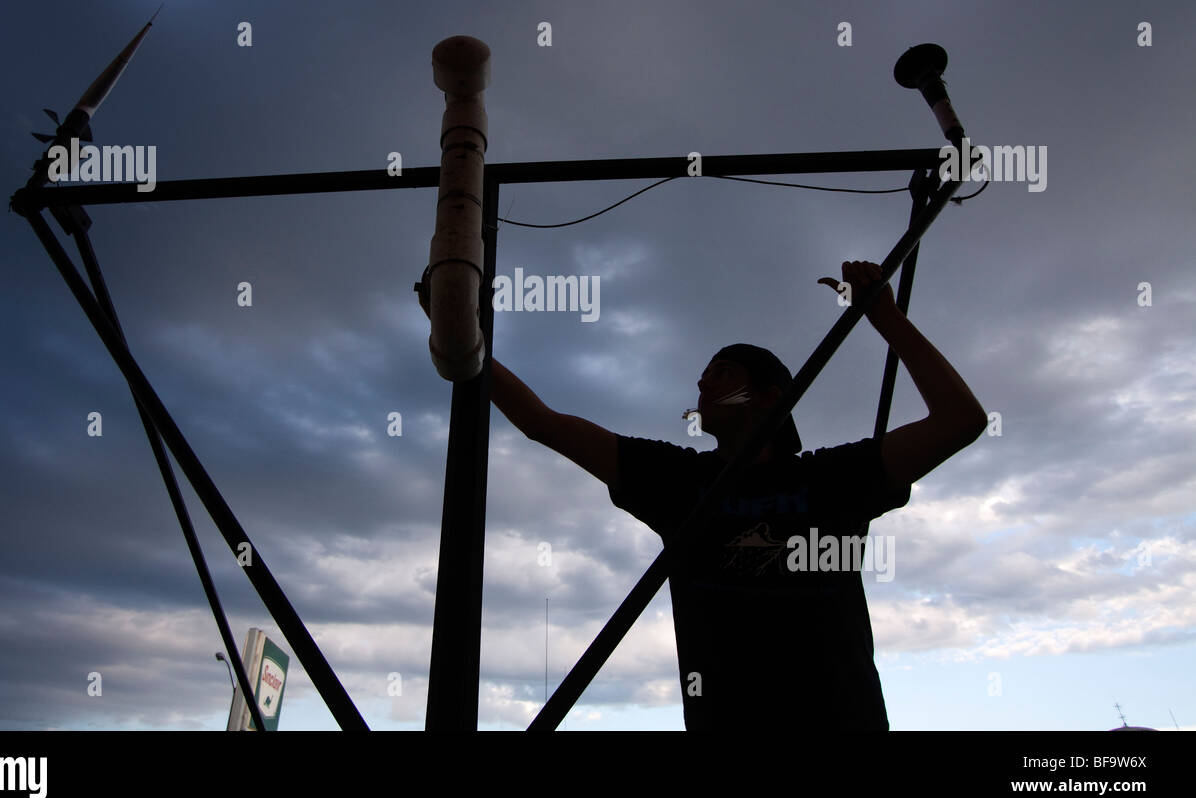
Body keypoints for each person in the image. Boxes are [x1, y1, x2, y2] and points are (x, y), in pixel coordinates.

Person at [419, 260, 987, 729]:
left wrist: (885, 317)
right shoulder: (677, 480)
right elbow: (541, 421)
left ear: (768, 396)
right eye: (704, 372)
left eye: (723, 371)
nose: (703, 383)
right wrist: (460, 336)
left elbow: (961, 420)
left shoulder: (832, 478)